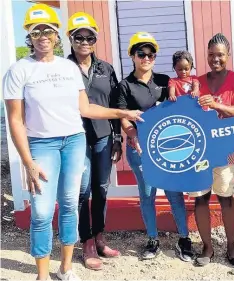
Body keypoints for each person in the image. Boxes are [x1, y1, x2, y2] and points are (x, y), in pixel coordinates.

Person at [2, 4, 142, 281]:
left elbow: (86, 109)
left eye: (49, 30)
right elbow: (15, 121)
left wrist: (122, 113)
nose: (43, 35)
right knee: (41, 212)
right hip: (42, 146)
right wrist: (28, 162)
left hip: (74, 141)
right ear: (29, 35)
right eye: (36, 30)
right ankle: (43, 276)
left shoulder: (68, 68)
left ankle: (65, 268)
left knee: (68, 204)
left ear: (56, 36)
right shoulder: (19, 70)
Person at [116, 32, 193, 262]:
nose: (146, 58)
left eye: (151, 54)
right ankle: (152, 239)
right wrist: (132, 134)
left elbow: (180, 107)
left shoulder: (165, 81)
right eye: (141, 53)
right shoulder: (124, 86)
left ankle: (184, 238)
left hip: (166, 149)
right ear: (132, 56)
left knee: (174, 193)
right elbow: (123, 117)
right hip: (139, 151)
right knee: (147, 194)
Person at [189, 33, 234, 267]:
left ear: (228, 56)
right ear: (206, 55)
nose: (216, 59)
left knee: (226, 197)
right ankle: (207, 247)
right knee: (201, 198)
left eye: (220, 55)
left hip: (225, 149)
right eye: (212, 54)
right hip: (200, 150)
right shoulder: (197, 81)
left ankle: (231, 246)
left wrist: (214, 104)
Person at [66, 12, 122, 270]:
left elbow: (115, 104)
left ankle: (99, 237)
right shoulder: (63, 68)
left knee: (101, 188)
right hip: (75, 137)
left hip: (102, 137)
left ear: (95, 39)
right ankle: (86, 242)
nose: (85, 42)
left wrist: (118, 137)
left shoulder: (106, 69)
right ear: (71, 38)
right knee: (83, 190)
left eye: (90, 37)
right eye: (79, 37)